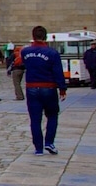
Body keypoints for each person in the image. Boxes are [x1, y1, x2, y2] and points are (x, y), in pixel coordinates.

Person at [21, 26, 68, 155]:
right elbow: (58, 72)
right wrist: (62, 89)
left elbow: (23, 64)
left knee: (35, 119)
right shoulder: (52, 53)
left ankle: (38, 148)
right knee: (52, 115)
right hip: (48, 87)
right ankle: (49, 142)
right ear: (45, 37)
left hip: (32, 87)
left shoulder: (25, 52)